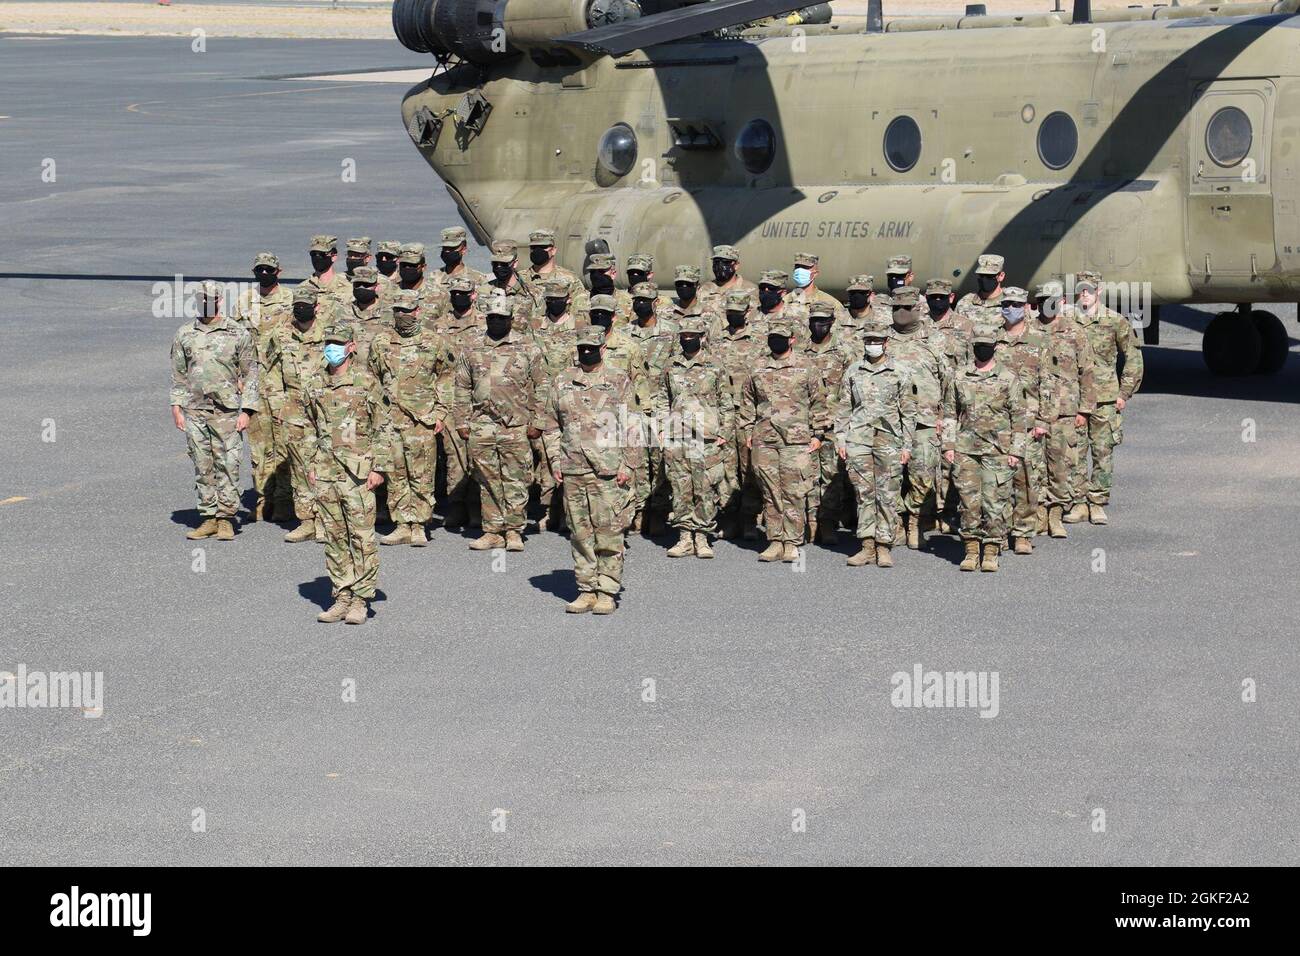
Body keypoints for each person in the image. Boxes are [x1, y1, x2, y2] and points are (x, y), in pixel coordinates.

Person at [539, 326, 641, 614]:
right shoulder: (562, 382)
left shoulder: (618, 381)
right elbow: (550, 425)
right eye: (581, 347)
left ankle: (607, 590)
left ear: (603, 348)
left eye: (591, 347)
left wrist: (628, 464)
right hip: (573, 469)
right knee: (580, 533)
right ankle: (586, 589)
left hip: (608, 470)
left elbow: (632, 426)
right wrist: (555, 462)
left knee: (608, 532)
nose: (586, 352)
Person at [303, 324, 390, 625]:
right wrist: (311, 466)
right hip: (326, 471)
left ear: (352, 346)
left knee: (362, 537)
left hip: (358, 472)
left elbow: (383, 427)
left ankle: (362, 599)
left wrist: (379, 468)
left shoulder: (366, 382)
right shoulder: (316, 383)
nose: (332, 348)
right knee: (334, 536)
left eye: (338, 343)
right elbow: (309, 428)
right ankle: (342, 594)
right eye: (328, 342)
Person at [453, 293, 547, 552]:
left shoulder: (528, 348)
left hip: (515, 425)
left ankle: (514, 530)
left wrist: (537, 421)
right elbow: (461, 387)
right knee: (487, 479)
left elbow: (542, 385)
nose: (496, 322)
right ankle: (493, 530)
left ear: (511, 319)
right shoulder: (472, 348)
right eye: (492, 317)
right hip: (481, 424)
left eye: (501, 318)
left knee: (516, 478)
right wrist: (461, 420)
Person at [170, 280, 258, 541]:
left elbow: (250, 373)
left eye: (211, 298)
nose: (207, 302)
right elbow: (178, 374)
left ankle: (226, 518)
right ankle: (208, 517)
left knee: (229, 463)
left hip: (226, 411)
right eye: (202, 298)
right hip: (195, 410)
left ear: (219, 299)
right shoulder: (185, 333)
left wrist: (248, 410)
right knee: (202, 463)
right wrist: (176, 406)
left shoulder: (237, 333)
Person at [739, 318, 831, 562]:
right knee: (770, 491)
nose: (776, 341)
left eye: (781, 337)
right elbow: (747, 401)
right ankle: (774, 540)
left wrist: (818, 434)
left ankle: (792, 542)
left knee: (794, 491)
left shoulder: (806, 366)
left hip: (796, 440)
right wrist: (747, 431)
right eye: (772, 337)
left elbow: (819, 402)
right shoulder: (757, 367)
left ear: (792, 339)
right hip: (764, 439)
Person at [369, 290, 455, 547]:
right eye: (398, 310)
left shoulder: (433, 342)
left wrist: (441, 412)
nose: (402, 315)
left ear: (418, 311)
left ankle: (419, 524)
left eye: (407, 310)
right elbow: (372, 378)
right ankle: (402, 523)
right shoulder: (381, 341)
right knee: (396, 474)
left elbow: (446, 377)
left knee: (421, 474)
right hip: (390, 421)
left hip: (421, 420)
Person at [944, 318, 1027, 572]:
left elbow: (1019, 417)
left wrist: (1016, 450)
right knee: (969, 502)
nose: (982, 349)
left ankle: (991, 549)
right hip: (966, 450)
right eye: (978, 345)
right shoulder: (959, 376)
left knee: (995, 502)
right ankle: (971, 549)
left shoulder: (1007, 378)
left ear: (995, 347)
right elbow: (949, 412)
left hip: (998, 451)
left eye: (987, 345)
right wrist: (948, 445)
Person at [835, 315, 916, 568]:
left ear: (886, 343)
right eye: (868, 340)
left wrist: (907, 445)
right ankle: (867, 546)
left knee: (888, 494)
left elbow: (909, 413)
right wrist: (841, 438)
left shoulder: (900, 372)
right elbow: (844, 408)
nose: (872, 344)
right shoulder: (853, 371)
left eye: (877, 340)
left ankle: (884, 546)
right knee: (864, 494)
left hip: (889, 441)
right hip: (858, 439)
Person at [1066, 270, 1144, 525]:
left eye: (1089, 289)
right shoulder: (1066, 320)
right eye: (1080, 290)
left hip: (1105, 398)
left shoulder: (1114, 321)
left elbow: (1133, 356)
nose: (1084, 294)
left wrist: (1124, 392)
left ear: (1098, 291)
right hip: (1074, 398)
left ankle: (1097, 502)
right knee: (1074, 452)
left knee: (1102, 452)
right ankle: (1077, 502)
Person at [656, 316, 731, 559]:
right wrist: (660, 428)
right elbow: (661, 399)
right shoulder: (670, 366)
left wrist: (724, 433)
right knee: (680, 488)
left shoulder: (715, 366)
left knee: (705, 488)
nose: (687, 340)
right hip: (677, 437)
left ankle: (702, 537)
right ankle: (684, 537)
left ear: (702, 338)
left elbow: (726, 403)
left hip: (705, 438)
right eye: (684, 337)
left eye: (692, 336)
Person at [229, 252, 293, 522]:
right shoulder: (244, 302)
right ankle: (263, 498)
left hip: (282, 383)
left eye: (269, 269)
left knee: (285, 442)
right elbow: (233, 341)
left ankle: (284, 500)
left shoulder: (290, 300)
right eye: (260, 270)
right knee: (258, 446)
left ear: (278, 271)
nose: (264, 274)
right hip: (253, 386)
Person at [263, 286, 329, 543]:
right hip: (292, 410)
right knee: (300, 467)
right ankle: (306, 520)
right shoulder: (281, 335)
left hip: (323, 411)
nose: (301, 308)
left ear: (317, 307)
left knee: (324, 466)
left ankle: (325, 520)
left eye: (306, 304)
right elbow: (270, 371)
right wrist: (278, 404)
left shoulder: (329, 335)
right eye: (297, 304)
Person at [1032, 280, 1096, 538]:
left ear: (1060, 303)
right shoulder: (1028, 331)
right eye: (1040, 302)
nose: (1045, 306)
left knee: (1060, 466)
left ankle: (1055, 515)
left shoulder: (1074, 332)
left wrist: (1084, 410)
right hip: (1035, 412)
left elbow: (1087, 372)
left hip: (1065, 411)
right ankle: (1038, 515)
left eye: (1050, 302)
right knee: (1034, 467)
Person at [887, 286, 948, 550]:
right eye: (895, 308)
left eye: (906, 308)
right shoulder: (883, 339)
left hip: (924, 420)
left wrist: (943, 417)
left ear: (917, 309)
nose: (901, 313)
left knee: (922, 474)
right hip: (890, 421)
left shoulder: (934, 340)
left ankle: (915, 519)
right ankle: (898, 523)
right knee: (890, 477)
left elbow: (948, 382)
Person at [995, 288, 1048, 554]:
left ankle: (1024, 533)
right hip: (998, 423)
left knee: (1027, 481)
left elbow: (1049, 385)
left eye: (1016, 304)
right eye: (1006, 304)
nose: (1010, 309)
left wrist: (1043, 421)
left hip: (1028, 422)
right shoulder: (992, 339)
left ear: (1026, 307)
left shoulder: (1038, 341)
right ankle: (1000, 532)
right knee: (998, 482)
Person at [712, 289, 767, 540]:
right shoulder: (716, 340)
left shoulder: (758, 341)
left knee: (748, 467)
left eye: (738, 313)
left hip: (748, 412)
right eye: (729, 313)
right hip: (723, 412)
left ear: (747, 312)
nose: (733, 317)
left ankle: (749, 520)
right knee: (725, 467)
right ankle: (729, 516)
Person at [799, 301, 855, 544]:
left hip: (835, 423)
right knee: (807, 474)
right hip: (806, 423)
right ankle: (811, 521)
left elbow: (852, 388)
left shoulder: (844, 352)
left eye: (823, 321)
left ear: (832, 323)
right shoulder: (800, 351)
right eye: (814, 321)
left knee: (832, 476)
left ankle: (828, 522)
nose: (818, 325)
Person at [698, 243, 758, 312]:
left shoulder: (750, 290)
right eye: (716, 262)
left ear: (736, 265)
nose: (720, 266)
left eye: (725, 262)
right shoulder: (705, 288)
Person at [300, 235, 352, 314]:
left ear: (333, 256)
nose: (317, 258)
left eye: (322, 254)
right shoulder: (302, 289)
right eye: (313, 254)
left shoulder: (348, 288)